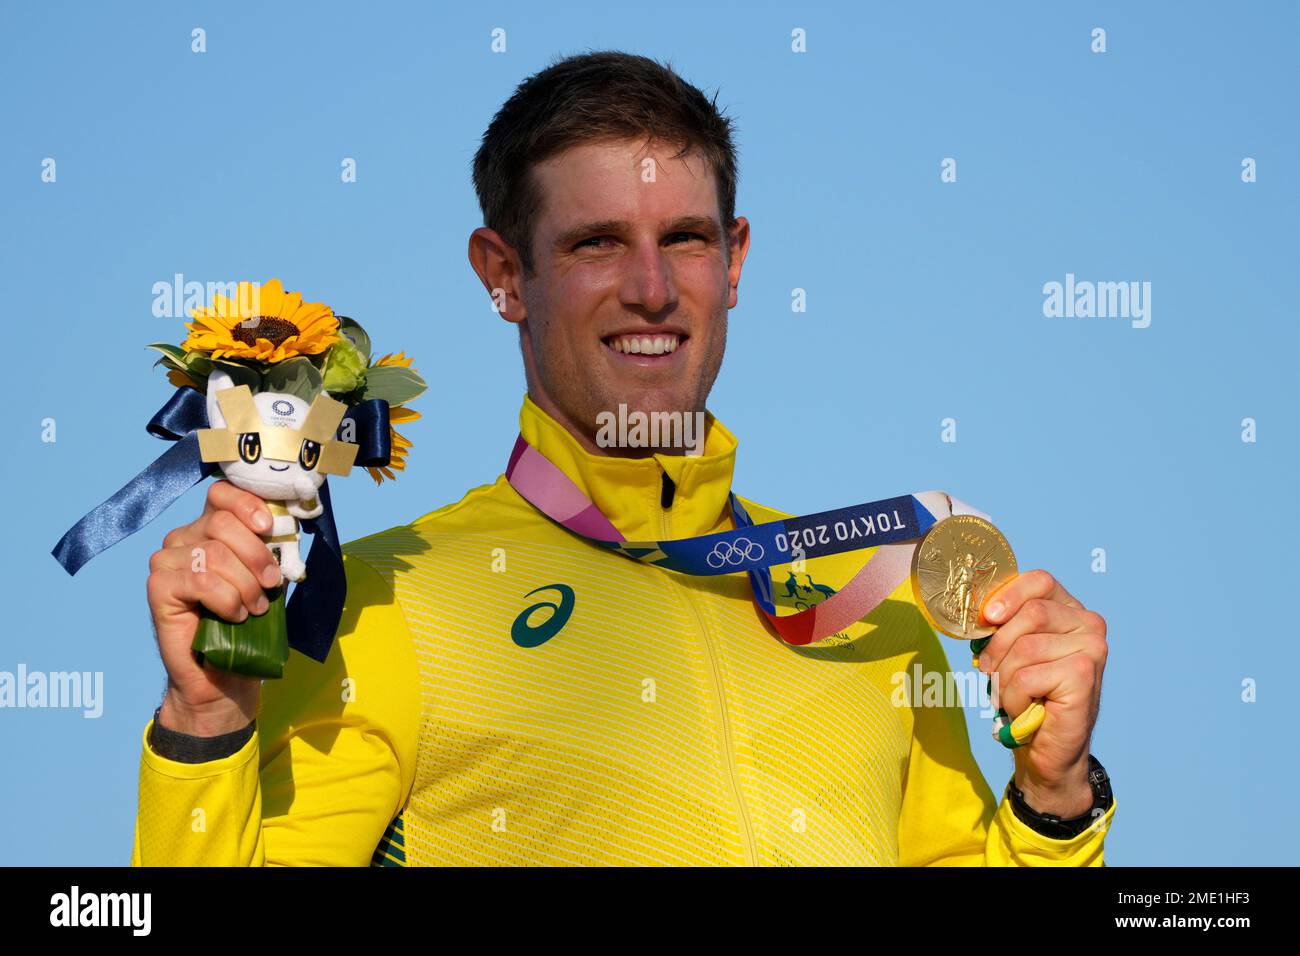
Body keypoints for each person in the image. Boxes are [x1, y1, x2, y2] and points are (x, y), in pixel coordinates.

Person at [132, 50, 1114, 866]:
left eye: (683, 239)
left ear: (733, 262)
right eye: (597, 243)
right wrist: (204, 720)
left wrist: (1054, 797)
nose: (651, 287)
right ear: (504, 274)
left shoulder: (872, 603)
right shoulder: (383, 606)